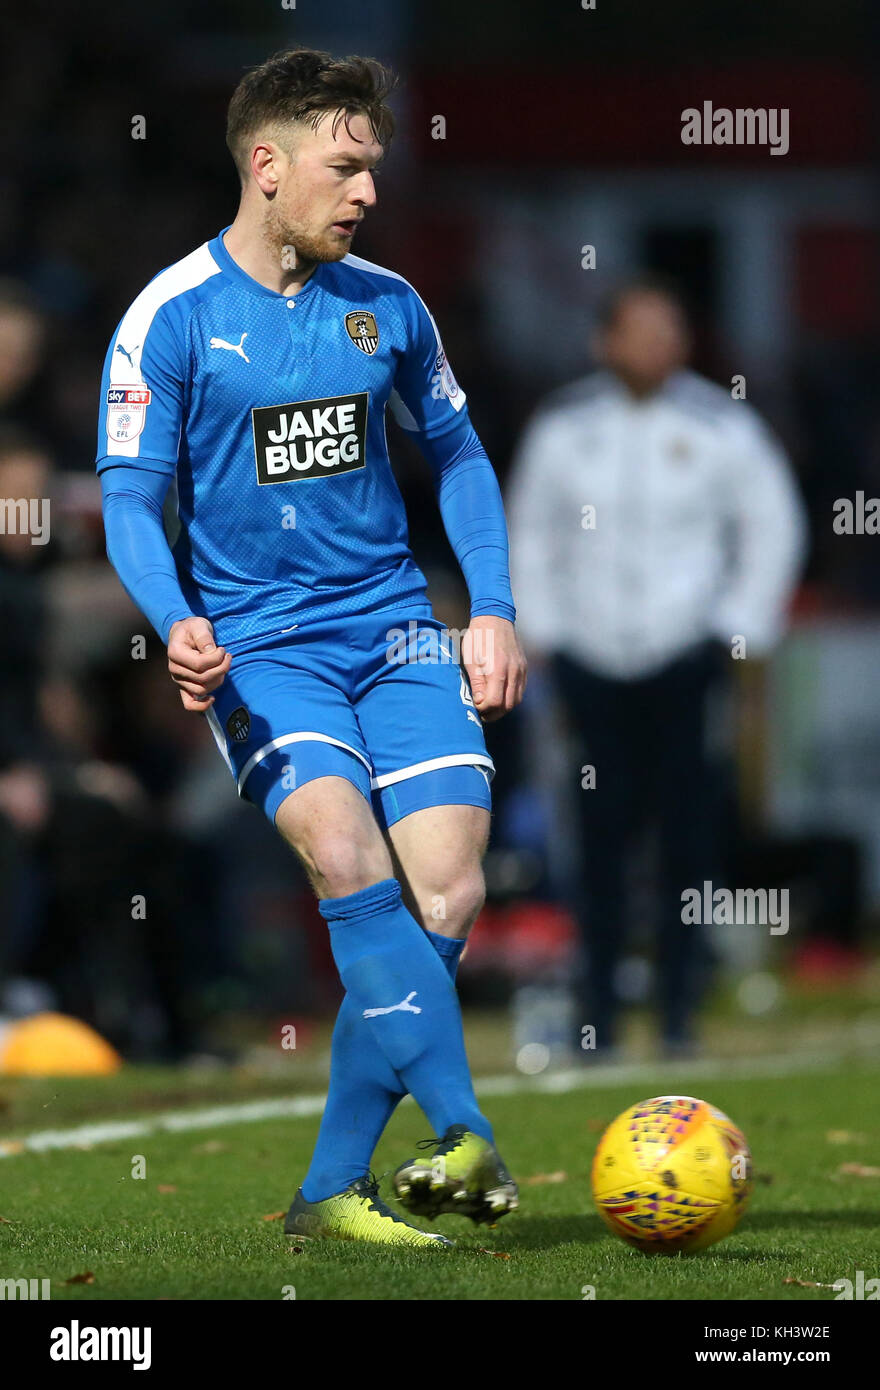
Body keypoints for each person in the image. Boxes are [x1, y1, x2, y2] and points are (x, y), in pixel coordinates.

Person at [96, 48, 526, 1247]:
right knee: (345, 855)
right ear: (267, 165)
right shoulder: (172, 316)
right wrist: (174, 616)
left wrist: (492, 605)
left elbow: (460, 453)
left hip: (396, 630)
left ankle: (332, 1187)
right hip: (261, 648)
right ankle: (464, 1128)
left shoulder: (389, 304)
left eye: (372, 168)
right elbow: (129, 496)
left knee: (449, 890)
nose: (368, 191)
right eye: (345, 168)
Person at [507, 277, 805, 1056]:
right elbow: (529, 533)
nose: (658, 344)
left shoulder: (721, 424)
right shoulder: (565, 428)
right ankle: (599, 1010)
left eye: (670, 328)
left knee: (687, 838)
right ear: (605, 341)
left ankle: (678, 1010)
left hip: (684, 658)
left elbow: (773, 526)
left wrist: (737, 630)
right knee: (596, 839)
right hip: (588, 662)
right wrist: (545, 633)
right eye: (641, 329)